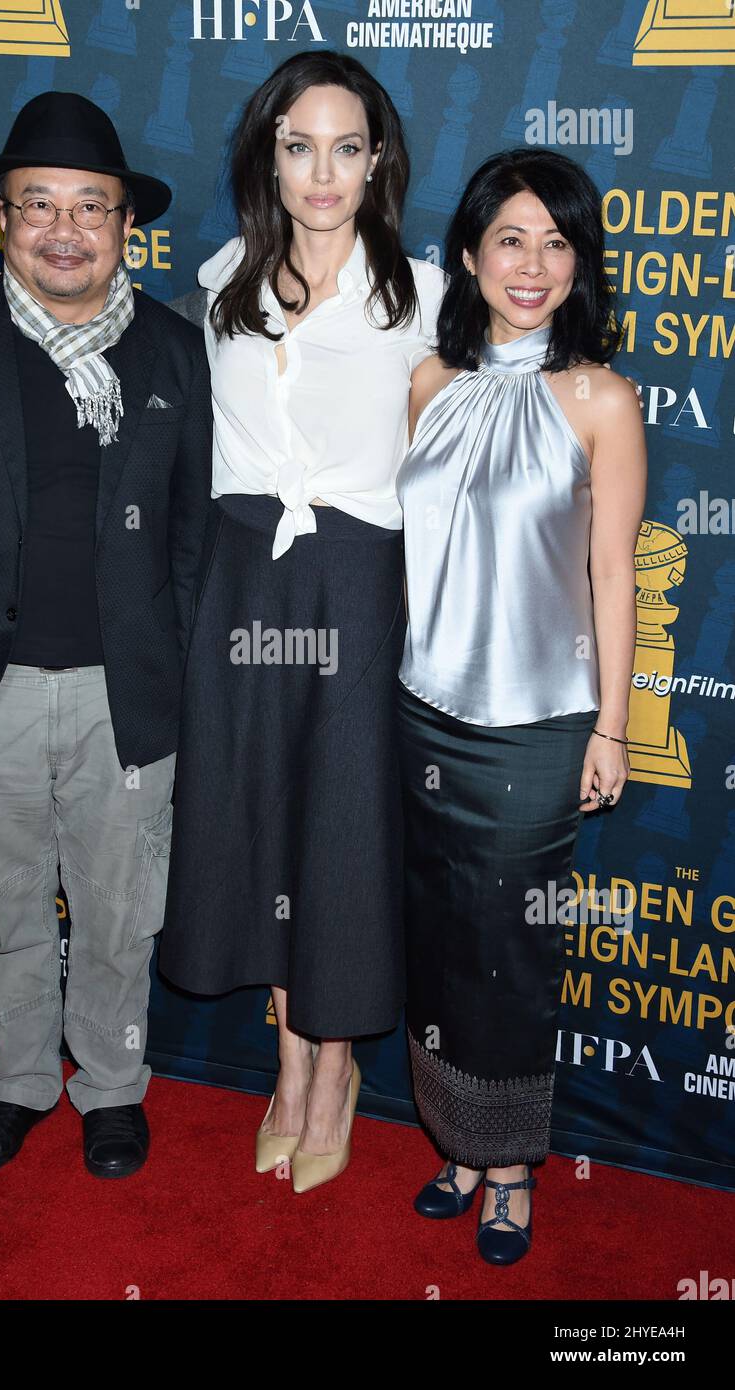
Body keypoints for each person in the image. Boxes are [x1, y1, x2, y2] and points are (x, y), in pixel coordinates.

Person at [0, 91, 212, 1179]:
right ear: (2, 219)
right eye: (40, 206)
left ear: (124, 224)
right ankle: (19, 1080)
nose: (66, 229)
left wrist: (182, 679)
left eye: (91, 207)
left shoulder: (175, 350)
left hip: (127, 692)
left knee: (120, 913)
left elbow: (196, 540)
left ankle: (111, 1088)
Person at [159, 50, 444, 1194]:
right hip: (242, 577)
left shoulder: (422, 297)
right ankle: (286, 1065)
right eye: (297, 145)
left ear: (376, 162)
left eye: (345, 146)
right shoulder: (224, 275)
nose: (320, 173)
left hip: (360, 582)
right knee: (261, 817)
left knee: (343, 829)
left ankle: (337, 1074)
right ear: (266, 156)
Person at [397, 147, 646, 1262]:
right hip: (421, 708)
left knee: (508, 947)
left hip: (539, 723)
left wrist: (611, 726)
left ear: (580, 261)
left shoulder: (600, 396)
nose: (534, 263)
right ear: (469, 254)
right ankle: (454, 1144)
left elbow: (612, 574)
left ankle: (511, 1168)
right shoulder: (428, 384)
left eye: (558, 241)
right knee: (442, 940)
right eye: (512, 238)